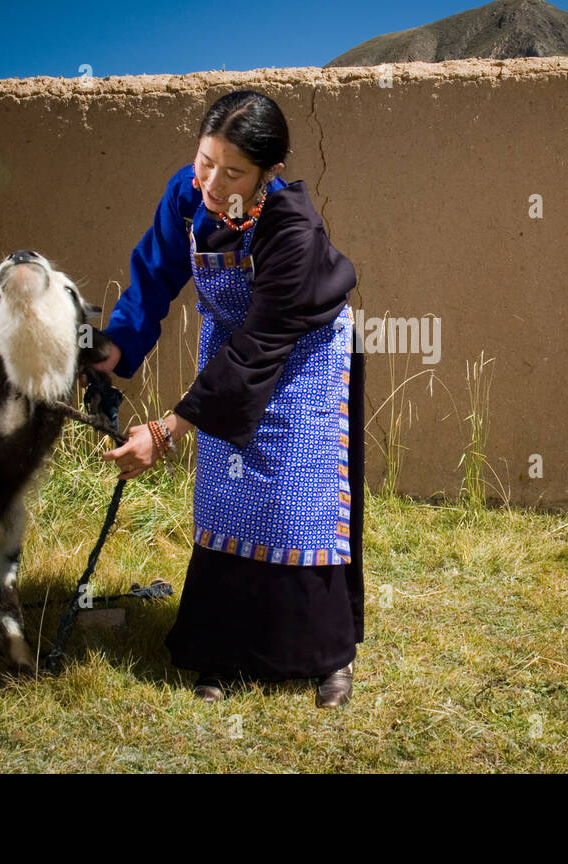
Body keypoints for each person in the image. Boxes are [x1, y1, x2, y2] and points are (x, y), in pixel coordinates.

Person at [90, 90, 364, 708]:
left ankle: (325, 658)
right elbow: (155, 273)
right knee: (229, 498)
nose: (212, 182)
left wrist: (165, 430)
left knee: (299, 499)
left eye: (233, 171)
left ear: (270, 171)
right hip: (230, 354)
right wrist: (115, 350)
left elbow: (261, 344)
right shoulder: (189, 193)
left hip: (300, 354)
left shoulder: (291, 226)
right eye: (205, 160)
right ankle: (221, 650)